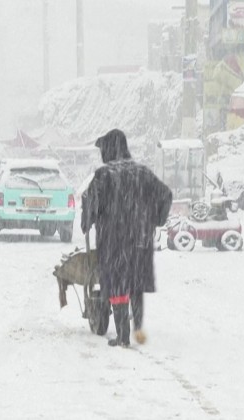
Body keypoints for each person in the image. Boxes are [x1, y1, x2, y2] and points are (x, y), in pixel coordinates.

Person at [81, 129, 172, 348]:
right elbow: (166, 194)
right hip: (140, 240)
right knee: (135, 283)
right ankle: (137, 328)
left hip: (113, 241)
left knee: (118, 285)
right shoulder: (143, 173)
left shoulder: (104, 175)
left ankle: (123, 336)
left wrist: (87, 221)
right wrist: (156, 220)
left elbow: (89, 201)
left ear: (109, 149)